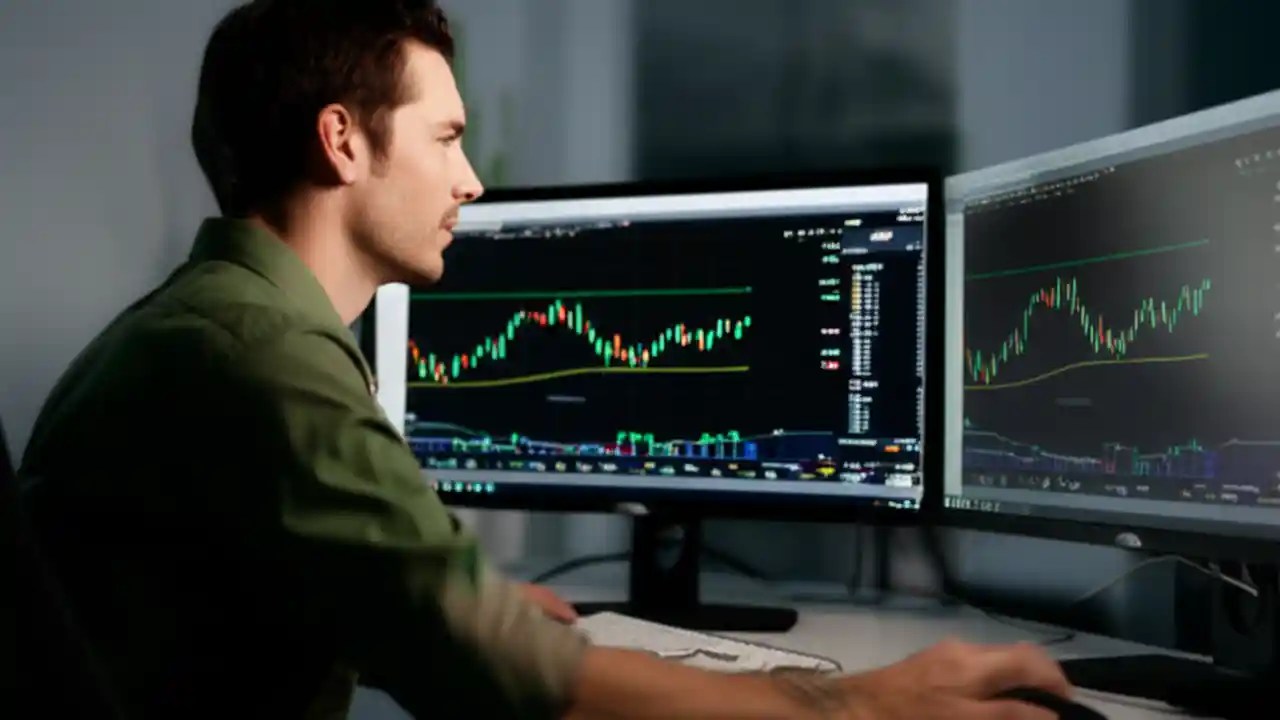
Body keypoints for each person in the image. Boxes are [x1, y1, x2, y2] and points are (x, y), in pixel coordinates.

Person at [19, 1, 1073, 718]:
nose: (472, 180)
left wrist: (446, 598)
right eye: (444, 138)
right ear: (342, 143)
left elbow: (248, 603)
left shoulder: (205, 323)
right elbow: (500, 681)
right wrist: (847, 703)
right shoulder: (259, 355)